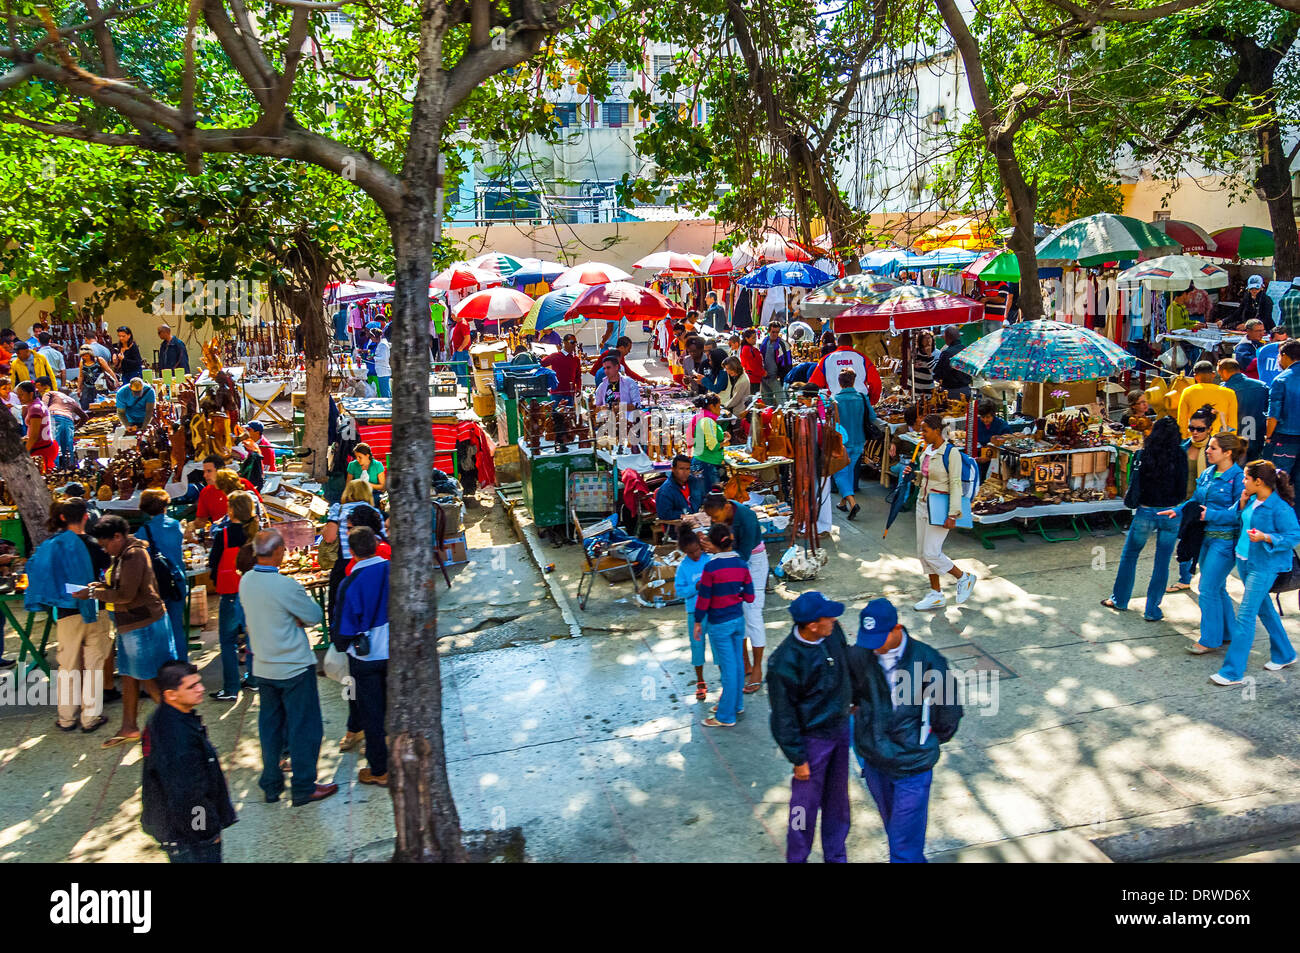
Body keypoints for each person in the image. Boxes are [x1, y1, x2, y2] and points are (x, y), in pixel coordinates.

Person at [848, 597, 963, 863]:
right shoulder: (859, 655)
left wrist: (921, 741)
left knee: (904, 846)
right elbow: (850, 697)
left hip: (912, 765)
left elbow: (948, 716)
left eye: (879, 639)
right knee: (896, 832)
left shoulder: (928, 661)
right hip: (875, 760)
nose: (873, 648)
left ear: (897, 629)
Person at [239, 529, 337, 806]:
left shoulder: (246, 581)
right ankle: (304, 786)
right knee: (304, 726)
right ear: (280, 551)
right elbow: (315, 615)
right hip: (293, 665)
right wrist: (293, 617)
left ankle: (271, 784)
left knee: (270, 727)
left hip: (264, 665)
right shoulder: (285, 586)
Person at [767, 591, 854, 863]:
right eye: (828, 617)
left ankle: (836, 857)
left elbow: (847, 663)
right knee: (802, 809)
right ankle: (797, 858)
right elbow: (782, 715)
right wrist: (798, 758)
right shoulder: (784, 662)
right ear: (813, 625)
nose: (835, 619)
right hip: (812, 742)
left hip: (840, 730)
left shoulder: (832, 633)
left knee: (838, 804)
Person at [78, 515, 176, 749]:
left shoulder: (133, 555)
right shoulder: (123, 554)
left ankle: (179, 724)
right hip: (131, 624)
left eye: (106, 545)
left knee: (146, 677)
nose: (105, 550)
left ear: (118, 536)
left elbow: (125, 595)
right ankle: (129, 726)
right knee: (130, 677)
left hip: (142, 625)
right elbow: (118, 587)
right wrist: (99, 587)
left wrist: (93, 594)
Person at [25, 498, 112, 734]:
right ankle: (90, 718)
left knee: (68, 666)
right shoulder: (94, 544)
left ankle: (66, 718)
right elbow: (108, 568)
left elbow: (34, 571)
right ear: (86, 516)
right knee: (93, 665)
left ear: (61, 517)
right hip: (95, 609)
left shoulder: (51, 546)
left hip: (65, 613)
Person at [1211, 460, 1300, 685]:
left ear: (1258, 481)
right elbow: (1237, 519)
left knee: (1246, 615)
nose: (1242, 481)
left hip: (1264, 565)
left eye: (1246, 478)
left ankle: (1232, 672)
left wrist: (1267, 537)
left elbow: (1293, 536)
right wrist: (1241, 506)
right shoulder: (1250, 499)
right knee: (1265, 610)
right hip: (1244, 560)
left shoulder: (1280, 508)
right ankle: (1285, 654)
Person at [141, 660, 237, 863]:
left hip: (179, 831)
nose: (201, 689)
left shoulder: (168, 719)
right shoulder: (176, 736)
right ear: (170, 695)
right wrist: (206, 834)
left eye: (199, 683)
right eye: (192, 686)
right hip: (189, 839)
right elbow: (189, 795)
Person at [1158, 433, 1245, 654]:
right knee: (1217, 588)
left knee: (1206, 589)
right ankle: (1228, 633)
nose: (1207, 451)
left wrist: (1211, 515)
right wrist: (1178, 510)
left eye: (1213, 448)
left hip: (1224, 541)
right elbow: (1196, 501)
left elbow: (1240, 515)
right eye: (1209, 447)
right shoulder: (1208, 473)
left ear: (1227, 453)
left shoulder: (1238, 479)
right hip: (1205, 539)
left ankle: (1209, 639)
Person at [1102, 416, 1189, 619]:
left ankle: (1120, 599)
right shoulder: (1180, 455)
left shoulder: (1144, 454)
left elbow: (1135, 484)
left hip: (1146, 511)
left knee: (1130, 555)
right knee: (1162, 562)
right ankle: (1152, 609)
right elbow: (1182, 488)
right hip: (1171, 512)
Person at [334, 527, 390, 786]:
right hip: (395, 651)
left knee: (372, 713)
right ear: (377, 545)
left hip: (365, 657)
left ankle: (380, 769)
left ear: (353, 553)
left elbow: (342, 629)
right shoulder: (394, 570)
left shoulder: (350, 583)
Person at [905, 414, 978, 610]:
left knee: (931, 552)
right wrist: (914, 475)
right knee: (923, 552)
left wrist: (953, 513)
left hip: (940, 508)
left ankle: (963, 577)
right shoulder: (926, 450)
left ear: (937, 431)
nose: (922, 434)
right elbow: (927, 476)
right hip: (922, 503)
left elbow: (954, 483)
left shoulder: (951, 453)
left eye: (925, 430)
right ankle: (936, 593)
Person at [702, 491, 767, 690]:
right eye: (711, 518)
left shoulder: (747, 517)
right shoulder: (720, 515)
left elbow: (744, 555)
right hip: (731, 562)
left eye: (715, 517)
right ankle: (744, 661)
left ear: (726, 508)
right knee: (739, 612)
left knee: (753, 614)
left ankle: (757, 667)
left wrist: (717, 551)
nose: (713, 521)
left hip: (752, 563)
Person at [693, 523, 754, 728]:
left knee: (728, 669)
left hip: (719, 622)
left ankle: (726, 716)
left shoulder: (711, 567)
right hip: (738, 619)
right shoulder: (742, 563)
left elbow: (703, 599)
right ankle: (736, 705)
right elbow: (750, 596)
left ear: (713, 543)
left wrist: (697, 622)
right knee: (736, 664)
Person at [209, 491, 260, 699]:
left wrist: (215, 579)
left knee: (228, 641)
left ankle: (231, 688)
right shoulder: (255, 533)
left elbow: (214, 561)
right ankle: (254, 679)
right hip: (253, 591)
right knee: (252, 637)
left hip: (231, 592)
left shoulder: (225, 534)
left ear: (231, 510)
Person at [1169, 404, 1220, 591]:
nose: (1195, 432)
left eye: (1200, 429)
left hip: (1207, 506)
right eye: (1191, 428)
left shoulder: (1214, 450)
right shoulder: (1183, 447)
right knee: (1184, 543)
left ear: (1209, 429)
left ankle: (1211, 583)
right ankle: (1185, 579)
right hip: (1185, 503)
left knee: (1204, 546)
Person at [137, 488, 189, 664]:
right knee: (177, 627)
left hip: (158, 584)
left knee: (159, 630)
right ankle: (182, 665)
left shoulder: (144, 532)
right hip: (178, 581)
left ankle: (164, 668)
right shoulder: (175, 526)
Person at [672, 527, 711, 701]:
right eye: (690, 553)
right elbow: (679, 591)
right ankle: (700, 681)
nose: (695, 555)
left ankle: (725, 677)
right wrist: (694, 588)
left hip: (713, 609)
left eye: (696, 550)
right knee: (697, 646)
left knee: (719, 646)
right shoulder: (683, 567)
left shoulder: (709, 559)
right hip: (694, 613)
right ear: (684, 552)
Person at [1264, 339, 1300, 517]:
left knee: (1281, 480)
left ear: (1284, 356)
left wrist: (1268, 436)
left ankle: (1279, 518)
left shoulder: (1281, 379)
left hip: (1286, 438)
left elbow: (1273, 415)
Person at [833, 370, 869, 520]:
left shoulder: (834, 400)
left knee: (840, 473)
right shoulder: (862, 397)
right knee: (849, 471)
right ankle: (843, 503)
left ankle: (853, 503)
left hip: (842, 442)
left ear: (840, 382)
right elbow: (872, 416)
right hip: (859, 440)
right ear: (853, 382)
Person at [1218, 358, 1268, 460]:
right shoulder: (1261, 386)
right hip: (1257, 433)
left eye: (1220, 374)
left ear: (1224, 371)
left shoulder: (1224, 390)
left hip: (1235, 434)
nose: (1221, 377)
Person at [808, 333, 883, 401]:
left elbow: (813, 385)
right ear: (852, 344)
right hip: (860, 403)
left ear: (837, 344)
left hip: (836, 404)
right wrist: (871, 401)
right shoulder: (862, 358)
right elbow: (876, 383)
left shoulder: (826, 359)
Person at [1174, 360, 1236, 438]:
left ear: (1195, 376)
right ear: (1213, 374)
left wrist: (1183, 440)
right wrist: (1231, 442)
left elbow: (1182, 421)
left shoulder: (1188, 392)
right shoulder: (1229, 393)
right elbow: (1232, 423)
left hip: (1195, 439)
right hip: (1219, 442)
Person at [36, 376, 85, 469]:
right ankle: (71, 471)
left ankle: (55, 471)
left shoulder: (49, 393)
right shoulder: (72, 400)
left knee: (54, 447)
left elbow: (44, 407)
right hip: (68, 420)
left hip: (54, 418)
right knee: (68, 449)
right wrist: (77, 426)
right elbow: (84, 417)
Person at [17, 381, 58, 473]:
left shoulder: (35, 408)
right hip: (45, 446)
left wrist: (24, 454)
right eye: (18, 395)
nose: (19, 398)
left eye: (22, 395)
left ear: (31, 394)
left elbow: (34, 436)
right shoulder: (37, 404)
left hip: (42, 450)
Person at [654, 454, 705, 526]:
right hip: (679, 528)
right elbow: (664, 514)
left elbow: (703, 498)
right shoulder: (665, 490)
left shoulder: (694, 482)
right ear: (673, 469)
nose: (685, 472)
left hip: (699, 523)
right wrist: (682, 516)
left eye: (687, 469)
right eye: (681, 469)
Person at [691, 395, 726, 492]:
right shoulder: (707, 421)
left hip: (705, 463)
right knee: (711, 498)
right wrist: (725, 443)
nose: (720, 410)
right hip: (706, 464)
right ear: (711, 406)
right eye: (719, 406)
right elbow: (713, 446)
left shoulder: (704, 418)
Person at [191, 454, 232, 534]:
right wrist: (191, 525)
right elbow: (201, 520)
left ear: (220, 470)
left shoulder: (241, 484)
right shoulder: (205, 492)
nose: (204, 475)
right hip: (219, 535)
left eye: (209, 471)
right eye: (204, 472)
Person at [540, 333, 582, 405]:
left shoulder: (576, 359)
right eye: (572, 342)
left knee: (570, 415)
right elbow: (541, 364)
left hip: (570, 393)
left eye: (575, 343)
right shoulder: (555, 356)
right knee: (556, 415)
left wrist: (578, 387)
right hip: (557, 393)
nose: (574, 345)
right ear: (565, 343)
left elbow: (578, 376)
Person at [933, 325, 973, 398]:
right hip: (966, 390)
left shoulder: (947, 353)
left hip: (951, 392)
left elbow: (938, 373)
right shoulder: (967, 351)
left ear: (947, 338)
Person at [759, 322, 792, 405]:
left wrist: (781, 376)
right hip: (765, 377)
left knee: (782, 402)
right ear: (769, 331)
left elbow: (787, 363)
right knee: (766, 403)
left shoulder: (782, 344)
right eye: (773, 332)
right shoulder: (764, 342)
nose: (775, 334)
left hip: (776, 378)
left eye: (777, 332)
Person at [75, 344, 118, 409]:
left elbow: (109, 371)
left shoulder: (99, 360)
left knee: (101, 405)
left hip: (100, 387)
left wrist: (116, 382)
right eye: (83, 356)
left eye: (86, 356)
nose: (84, 357)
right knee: (86, 406)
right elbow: (81, 375)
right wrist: (79, 388)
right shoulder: (82, 362)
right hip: (87, 388)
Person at [347, 442, 386, 507]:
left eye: (360, 457)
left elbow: (382, 486)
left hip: (373, 493)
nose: (357, 459)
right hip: (357, 493)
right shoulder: (352, 465)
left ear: (367, 455)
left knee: (372, 503)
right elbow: (348, 485)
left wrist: (368, 485)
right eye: (356, 457)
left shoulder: (377, 465)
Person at [906, 331, 936, 397]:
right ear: (920, 340)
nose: (928, 340)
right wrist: (913, 365)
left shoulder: (936, 353)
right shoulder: (915, 351)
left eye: (929, 338)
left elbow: (934, 372)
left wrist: (929, 356)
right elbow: (908, 367)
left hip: (927, 387)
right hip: (913, 385)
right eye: (925, 338)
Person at [449, 310, 473, 387]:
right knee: (455, 368)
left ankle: (465, 388)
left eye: (453, 315)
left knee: (461, 370)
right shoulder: (459, 323)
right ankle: (460, 386)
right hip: (458, 351)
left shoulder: (463, 323)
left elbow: (467, 338)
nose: (451, 316)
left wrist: (461, 348)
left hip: (462, 351)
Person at [368, 326, 391, 397]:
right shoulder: (381, 343)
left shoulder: (382, 345)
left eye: (371, 337)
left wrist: (374, 357)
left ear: (375, 337)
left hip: (383, 371)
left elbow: (384, 358)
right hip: (382, 371)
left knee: (385, 393)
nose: (371, 339)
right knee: (386, 391)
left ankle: (387, 407)